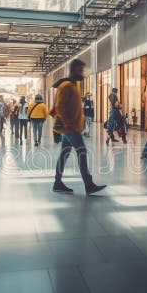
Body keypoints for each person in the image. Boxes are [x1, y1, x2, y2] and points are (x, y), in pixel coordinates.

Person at [50, 59, 107, 195]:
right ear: (73, 70)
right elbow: (59, 107)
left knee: (65, 153)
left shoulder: (73, 85)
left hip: (70, 128)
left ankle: (57, 182)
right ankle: (89, 184)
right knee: (82, 152)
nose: (82, 73)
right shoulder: (67, 86)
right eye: (80, 70)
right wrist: (68, 123)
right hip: (70, 128)